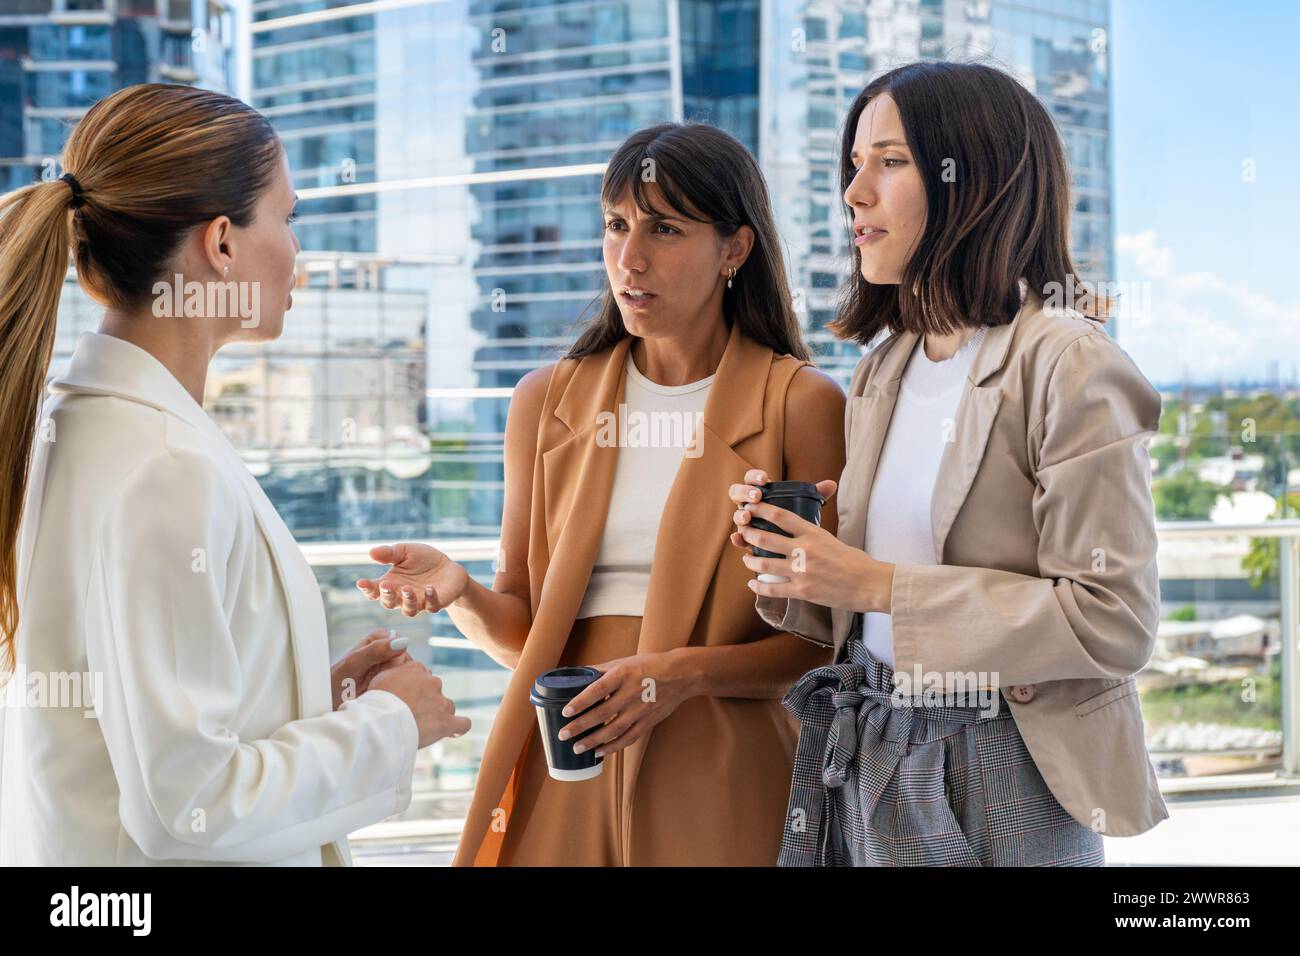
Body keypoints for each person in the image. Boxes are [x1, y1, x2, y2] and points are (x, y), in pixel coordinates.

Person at [0, 83, 468, 866]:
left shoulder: (81, 428)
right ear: (221, 245)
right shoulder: (162, 466)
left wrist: (313, 697)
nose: (298, 254)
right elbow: (187, 803)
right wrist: (387, 724)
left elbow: (139, 731)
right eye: (286, 218)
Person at [358, 122, 845, 865]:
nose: (630, 257)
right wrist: (460, 592)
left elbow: (825, 647)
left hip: (725, 770)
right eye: (616, 226)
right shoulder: (546, 402)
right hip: (567, 767)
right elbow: (528, 636)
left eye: (666, 229)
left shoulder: (800, 404)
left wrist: (678, 675)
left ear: (735, 250)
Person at [729, 61, 1169, 866]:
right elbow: (870, 610)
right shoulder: (884, 367)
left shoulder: (1068, 361)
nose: (855, 193)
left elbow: (1115, 620)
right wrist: (800, 564)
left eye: (890, 162)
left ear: (978, 182)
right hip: (873, 742)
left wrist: (872, 583)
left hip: (1004, 756)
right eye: (854, 164)